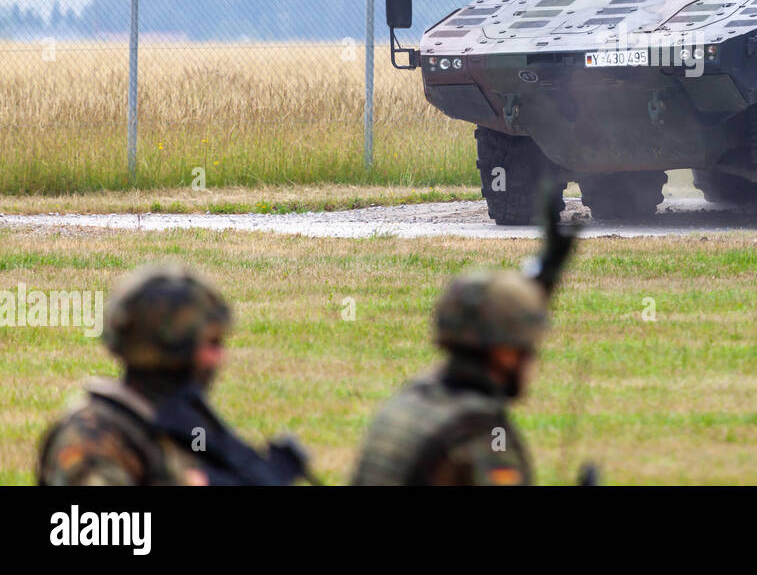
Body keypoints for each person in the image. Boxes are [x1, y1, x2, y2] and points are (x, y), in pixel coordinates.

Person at [352, 203, 578, 485]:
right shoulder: (478, 434)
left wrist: (544, 277)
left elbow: (484, 310)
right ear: (504, 354)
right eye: (526, 347)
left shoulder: (407, 406)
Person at [38, 264, 313, 486]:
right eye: (212, 344)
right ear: (173, 348)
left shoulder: (180, 427)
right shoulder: (92, 439)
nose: (220, 358)